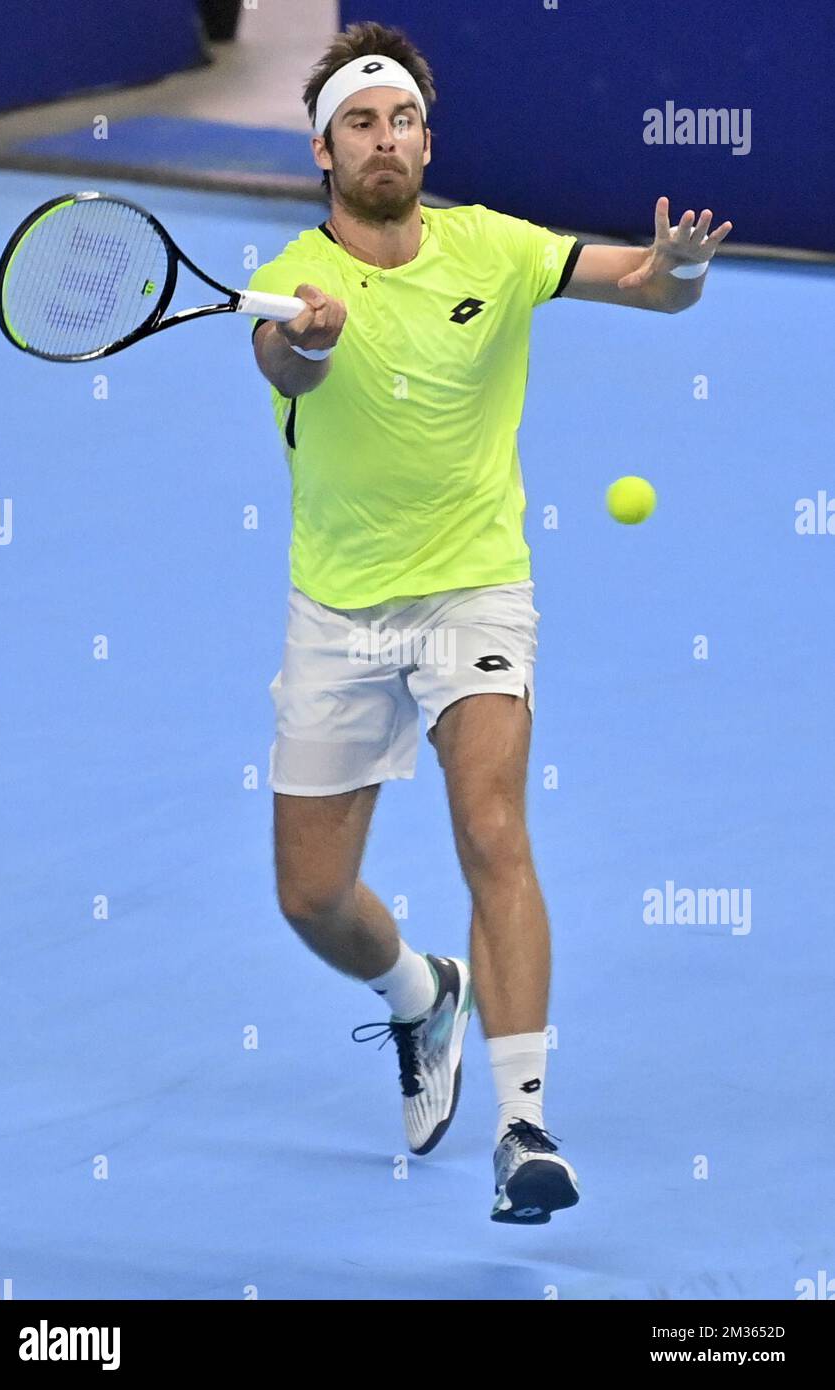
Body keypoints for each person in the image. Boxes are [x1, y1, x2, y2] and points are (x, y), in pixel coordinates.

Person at [248, 20, 732, 1224]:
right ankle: (425, 995)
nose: (383, 139)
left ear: (426, 138)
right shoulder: (291, 284)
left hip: (475, 588)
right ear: (322, 152)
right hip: (341, 607)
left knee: (491, 822)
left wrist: (674, 268)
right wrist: (304, 340)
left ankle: (522, 1124)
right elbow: (281, 365)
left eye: (400, 118)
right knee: (310, 896)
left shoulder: (495, 246)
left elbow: (643, 287)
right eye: (358, 122)